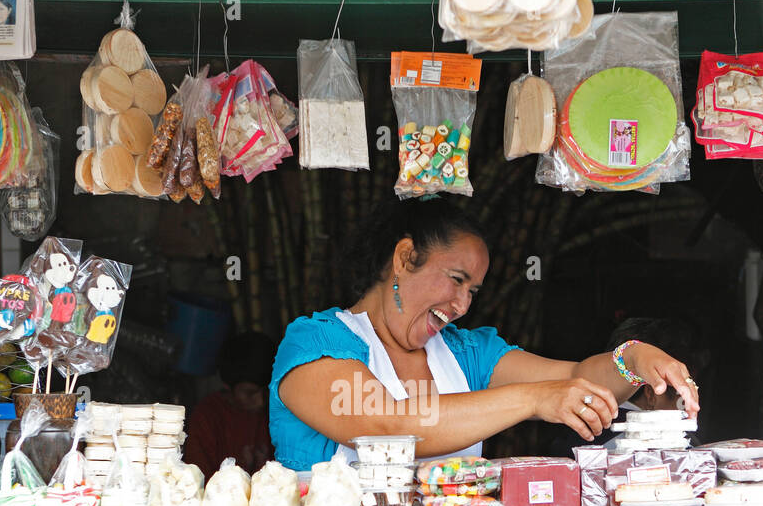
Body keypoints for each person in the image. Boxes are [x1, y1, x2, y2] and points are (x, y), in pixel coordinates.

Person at [270, 199, 699, 470]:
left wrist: (635, 359)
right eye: (455, 280)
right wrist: (533, 399)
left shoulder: (467, 353)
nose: (461, 305)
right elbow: (387, 426)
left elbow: (578, 378)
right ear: (405, 258)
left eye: (471, 291)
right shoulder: (315, 343)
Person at [546, 317, 708, 456]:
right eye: (683, 397)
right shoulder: (667, 448)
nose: (687, 410)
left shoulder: (572, 431)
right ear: (651, 393)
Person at [183, 332, 278, 480]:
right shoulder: (208, 417)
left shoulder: (278, 412)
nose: (261, 401)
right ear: (228, 386)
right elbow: (197, 479)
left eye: (267, 392)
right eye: (250, 393)